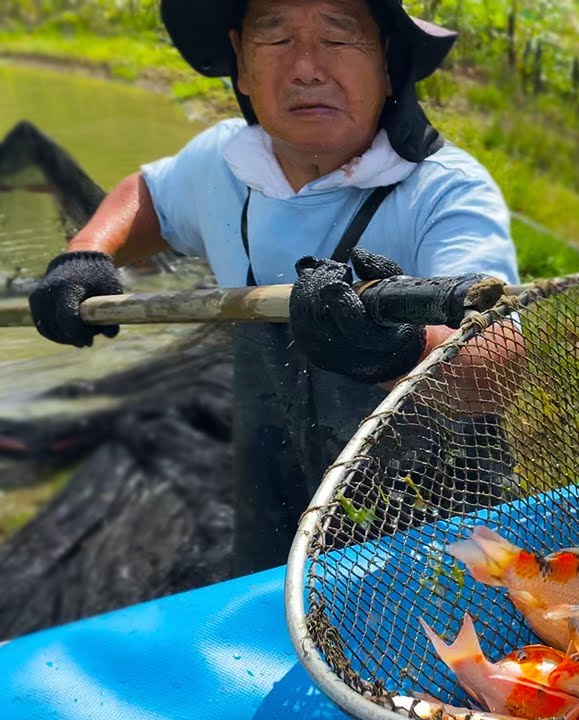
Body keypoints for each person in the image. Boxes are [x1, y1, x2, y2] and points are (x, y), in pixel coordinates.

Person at [26, 0, 523, 575]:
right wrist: (87, 252)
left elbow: (498, 363)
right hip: (270, 483)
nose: (307, 68)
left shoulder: (445, 193)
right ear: (240, 61)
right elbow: (151, 198)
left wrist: (400, 351)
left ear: (387, 61)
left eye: (338, 38)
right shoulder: (221, 165)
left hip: (426, 520)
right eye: (277, 38)